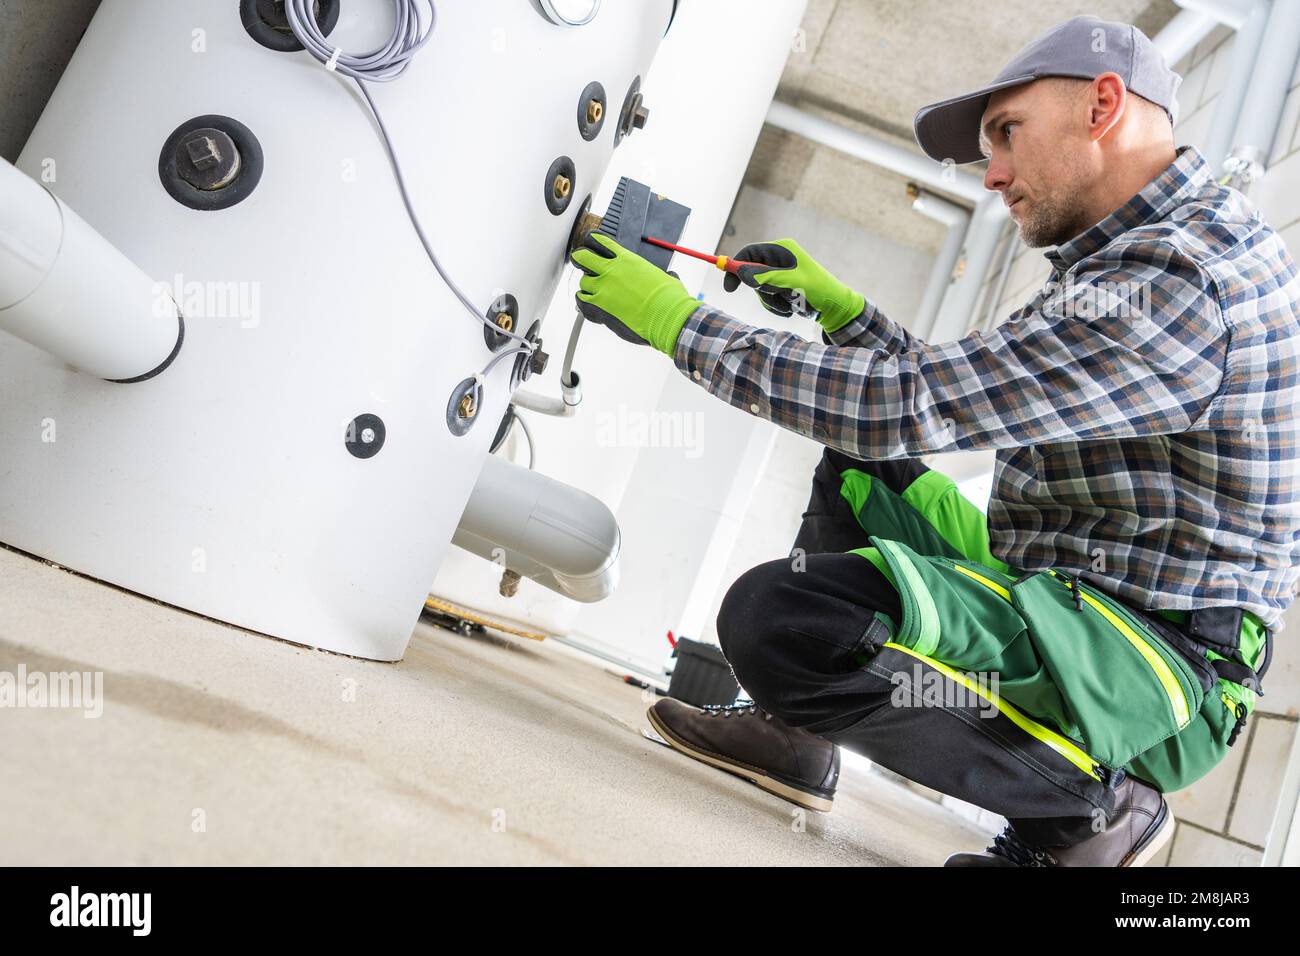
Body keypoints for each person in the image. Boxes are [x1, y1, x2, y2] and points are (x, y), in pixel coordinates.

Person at [568, 15, 1300, 866]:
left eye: (1005, 135)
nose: (992, 175)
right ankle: (798, 735)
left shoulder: (1178, 282)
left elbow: (913, 407)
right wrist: (843, 315)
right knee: (862, 468)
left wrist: (676, 323)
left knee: (781, 620)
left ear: (1103, 104)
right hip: (1066, 590)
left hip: (1157, 667)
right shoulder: (1124, 260)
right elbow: (958, 391)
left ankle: (1092, 815)